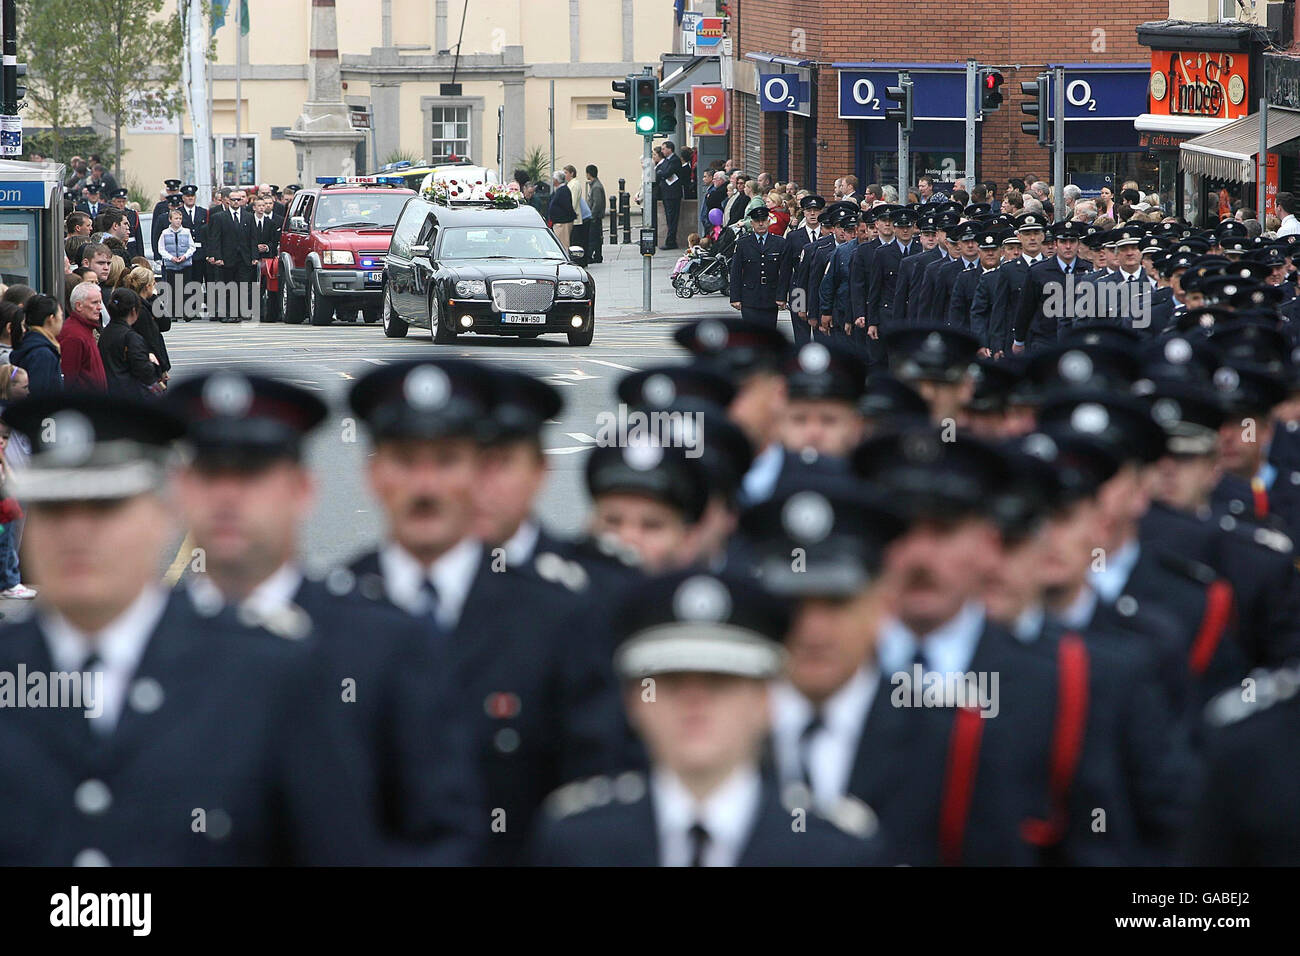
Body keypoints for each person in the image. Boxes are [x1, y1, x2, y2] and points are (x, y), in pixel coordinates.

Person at [0, 391, 383, 864]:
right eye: (55, 510)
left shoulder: (271, 677)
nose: (77, 533)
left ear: (164, 515)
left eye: (105, 508)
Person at [163, 371, 481, 863]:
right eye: (211, 476)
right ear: (181, 489)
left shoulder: (383, 642)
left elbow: (442, 833)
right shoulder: (141, 642)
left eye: (252, 475)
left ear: (303, 490)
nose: (228, 497)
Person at [344, 358, 631, 865]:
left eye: (447, 460)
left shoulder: (560, 618)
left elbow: (594, 811)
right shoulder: (327, 618)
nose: (426, 485)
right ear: (373, 473)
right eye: (406, 460)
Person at [531, 571, 887, 866]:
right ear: (635, 701)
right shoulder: (577, 843)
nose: (695, 701)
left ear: (766, 701)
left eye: (721, 682)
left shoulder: (833, 852)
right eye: (671, 682)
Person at [729, 205, 788, 327]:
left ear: (768, 221)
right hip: (749, 296)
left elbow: (785, 272)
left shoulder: (779, 243)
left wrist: (782, 296)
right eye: (757, 221)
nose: (760, 224)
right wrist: (735, 297)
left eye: (763, 220)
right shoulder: (742, 243)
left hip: (771, 296)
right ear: (751, 223)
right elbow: (736, 271)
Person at [98, 288, 162, 398]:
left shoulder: (104, 333)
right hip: (129, 394)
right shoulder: (131, 337)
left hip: (109, 390)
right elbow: (144, 371)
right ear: (134, 311)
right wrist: (154, 365)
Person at [9, 295, 63, 396]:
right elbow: (38, 395)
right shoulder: (42, 354)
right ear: (51, 319)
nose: (62, 321)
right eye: (60, 316)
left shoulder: (28, 344)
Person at [59, 282, 108, 391]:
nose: (99, 307)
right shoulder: (74, 336)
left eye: (100, 302)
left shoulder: (85, 329)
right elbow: (69, 379)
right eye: (94, 303)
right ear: (79, 306)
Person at [656, 142, 685, 249]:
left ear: (670, 149)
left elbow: (665, 173)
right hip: (666, 193)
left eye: (664, 149)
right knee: (669, 218)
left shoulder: (675, 160)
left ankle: (671, 241)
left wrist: (661, 173)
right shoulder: (667, 161)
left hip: (673, 194)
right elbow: (659, 171)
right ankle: (670, 240)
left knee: (672, 218)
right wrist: (660, 173)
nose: (662, 151)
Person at [584, 165, 606, 264]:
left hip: (595, 217)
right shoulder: (595, 185)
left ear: (589, 174)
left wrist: (592, 215)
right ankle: (598, 256)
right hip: (596, 216)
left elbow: (597, 203)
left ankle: (590, 256)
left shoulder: (596, 187)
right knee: (597, 237)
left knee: (592, 237)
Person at [548, 171, 576, 248]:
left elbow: (567, 206)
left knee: (563, 244)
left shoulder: (563, 190)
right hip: (559, 222)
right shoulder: (559, 190)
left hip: (563, 223)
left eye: (553, 179)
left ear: (556, 180)